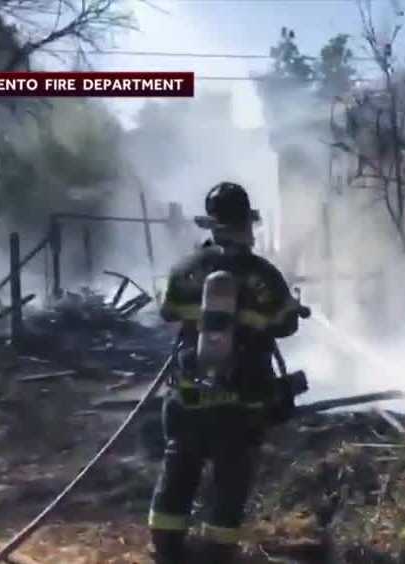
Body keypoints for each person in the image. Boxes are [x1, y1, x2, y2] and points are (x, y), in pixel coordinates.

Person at [148, 182, 301, 563]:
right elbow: (286, 324)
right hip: (241, 402)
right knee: (231, 479)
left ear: (211, 225)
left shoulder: (185, 269)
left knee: (179, 467)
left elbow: (168, 311)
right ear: (247, 224)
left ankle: (167, 547)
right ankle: (217, 551)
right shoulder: (263, 273)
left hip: (188, 395)